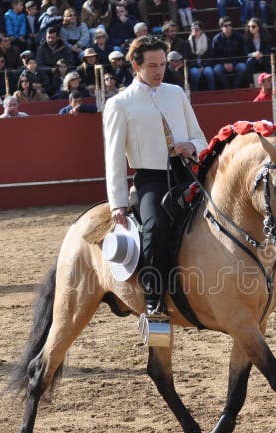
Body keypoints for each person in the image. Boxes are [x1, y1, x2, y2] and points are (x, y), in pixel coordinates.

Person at [103, 35, 207, 316]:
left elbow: (200, 138)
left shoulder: (176, 93)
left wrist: (192, 146)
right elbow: (113, 156)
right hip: (151, 178)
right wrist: (118, 203)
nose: (159, 70)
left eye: (162, 64)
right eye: (151, 65)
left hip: (187, 171)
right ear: (136, 66)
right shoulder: (119, 104)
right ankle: (153, 296)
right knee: (155, 226)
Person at [212, 17, 248, 89]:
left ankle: (235, 86)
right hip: (222, 64)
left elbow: (242, 53)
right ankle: (227, 87)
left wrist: (233, 63)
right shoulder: (216, 39)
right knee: (217, 69)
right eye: (226, 25)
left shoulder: (238, 37)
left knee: (243, 67)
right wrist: (224, 64)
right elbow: (215, 55)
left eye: (230, 25)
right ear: (221, 27)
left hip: (236, 63)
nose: (228, 27)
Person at [185, 21, 214, 91]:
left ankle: (212, 91)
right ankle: (195, 93)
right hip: (194, 66)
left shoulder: (207, 41)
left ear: (201, 30)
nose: (194, 30)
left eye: (196, 29)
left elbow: (211, 56)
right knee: (195, 73)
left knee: (209, 72)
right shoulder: (188, 42)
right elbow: (187, 58)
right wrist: (197, 66)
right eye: (192, 29)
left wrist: (203, 66)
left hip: (206, 65)